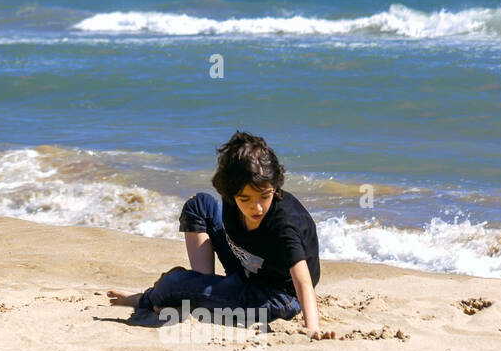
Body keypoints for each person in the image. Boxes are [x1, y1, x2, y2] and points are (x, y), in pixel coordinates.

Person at [108, 131, 333, 338]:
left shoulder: (284, 225)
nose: (257, 208)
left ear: (274, 186)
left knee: (174, 283)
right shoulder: (232, 195)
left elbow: (303, 281)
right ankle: (201, 290)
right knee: (199, 206)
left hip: (276, 297)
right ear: (230, 192)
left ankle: (146, 299)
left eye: (264, 196)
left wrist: (313, 331)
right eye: (245, 199)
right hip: (246, 267)